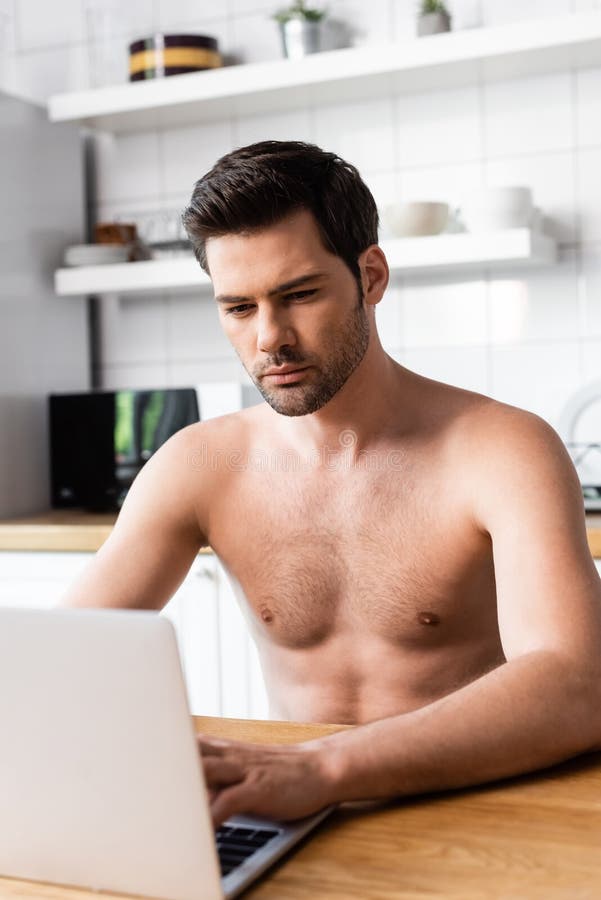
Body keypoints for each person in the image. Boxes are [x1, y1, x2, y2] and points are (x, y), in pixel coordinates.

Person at [62, 140, 601, 827]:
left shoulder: (502, 450)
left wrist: (322, 768)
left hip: (468, 810)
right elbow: (62, 653)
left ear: (370, 276)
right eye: (238, 308)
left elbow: (577, 683)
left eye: (299, 295)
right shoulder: (199, 463)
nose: (270, 338)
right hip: (297, 814)